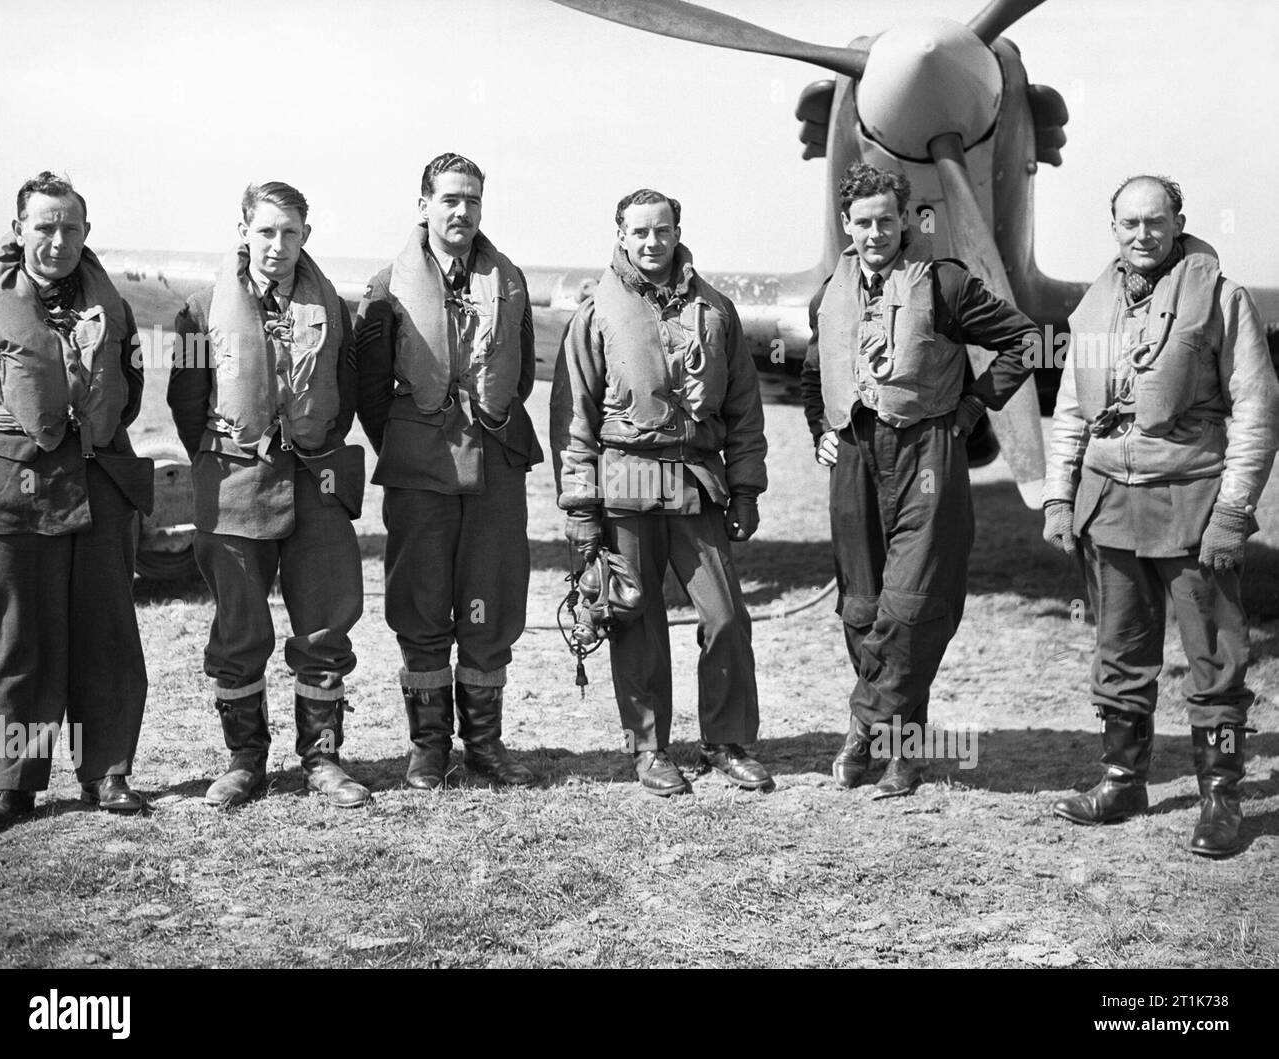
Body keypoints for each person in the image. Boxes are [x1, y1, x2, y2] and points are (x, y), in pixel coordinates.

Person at [1043, 175, 1279, 857]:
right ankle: (1122, 779)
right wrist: (1060, 495)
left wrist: (1234, 511)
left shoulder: (1223, 298)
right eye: (1128, 223)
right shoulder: (1092, 309)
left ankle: (1221, 795)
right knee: (1118, 651)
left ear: (1179, 222)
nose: (1142, 235)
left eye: (1155, 221)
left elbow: (1257, 409)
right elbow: (1070, 411)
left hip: (1194, 500)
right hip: (1110, 502)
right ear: (1112, 227)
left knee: (1216, 658)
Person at [801, 162, 1037, 798]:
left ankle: (863, 728)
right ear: (845, 225)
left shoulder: (945, 283)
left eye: (886, 220)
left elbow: (1023, 339)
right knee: (861, 608)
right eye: (862, 222)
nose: (875, 233)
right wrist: (817, 427)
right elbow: (812, 371)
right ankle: (904, 747)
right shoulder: (831, 290)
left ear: (905, 219)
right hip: (853, 455)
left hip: (926, 450)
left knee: (913, 607)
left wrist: (970, 406)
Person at [551, 188, 771, 797]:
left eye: (662, 230)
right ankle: (649, 749)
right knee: (636, 621)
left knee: (726, 617)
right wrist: (582, 508)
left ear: (678, 231)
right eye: (640, 232)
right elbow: (575, 419)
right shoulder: (596, 315)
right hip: (626, 480)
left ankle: (726, 741)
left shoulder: (717, 310)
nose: (652, 242)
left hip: (696, 482)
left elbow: (744, 409)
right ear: (620, 235)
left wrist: (747, 487)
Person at [169, 181, 369, 809]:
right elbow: (187, 401)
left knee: (327, 622)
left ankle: (322, 758)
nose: (276, 245)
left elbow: (345, 391)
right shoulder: (200, 312)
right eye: (265, 231)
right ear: (244, 231)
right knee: (238, 627)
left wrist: (309, 444)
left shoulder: (333, 306)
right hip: (235, 485)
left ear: (305, 236)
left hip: (315, 482)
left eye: (289, 233)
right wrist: (232, 452)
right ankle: (244, 759)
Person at [355, 153, 543, 790]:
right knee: (421, 602)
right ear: (424, 206)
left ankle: (485, 747)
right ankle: (428, 748)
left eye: (472, 201)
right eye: (449, 200)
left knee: (491, 601)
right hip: (420, 467)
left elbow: (520, 374)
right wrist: (410, 441)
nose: (461, 212)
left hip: (495, 463)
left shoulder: (510, 281)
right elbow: (370, 387)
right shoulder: (387, 286)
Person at [0, 172, 151, 831]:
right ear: (19, 229)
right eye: (44, 226)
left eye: (70, 227)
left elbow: (130, 387)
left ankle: (106, 772)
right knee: (23, 641)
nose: (57, 239)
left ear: (86, 232)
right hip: (15, 488)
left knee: (107, 636)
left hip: (100, 483)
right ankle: (13, 784)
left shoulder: (115, 305)